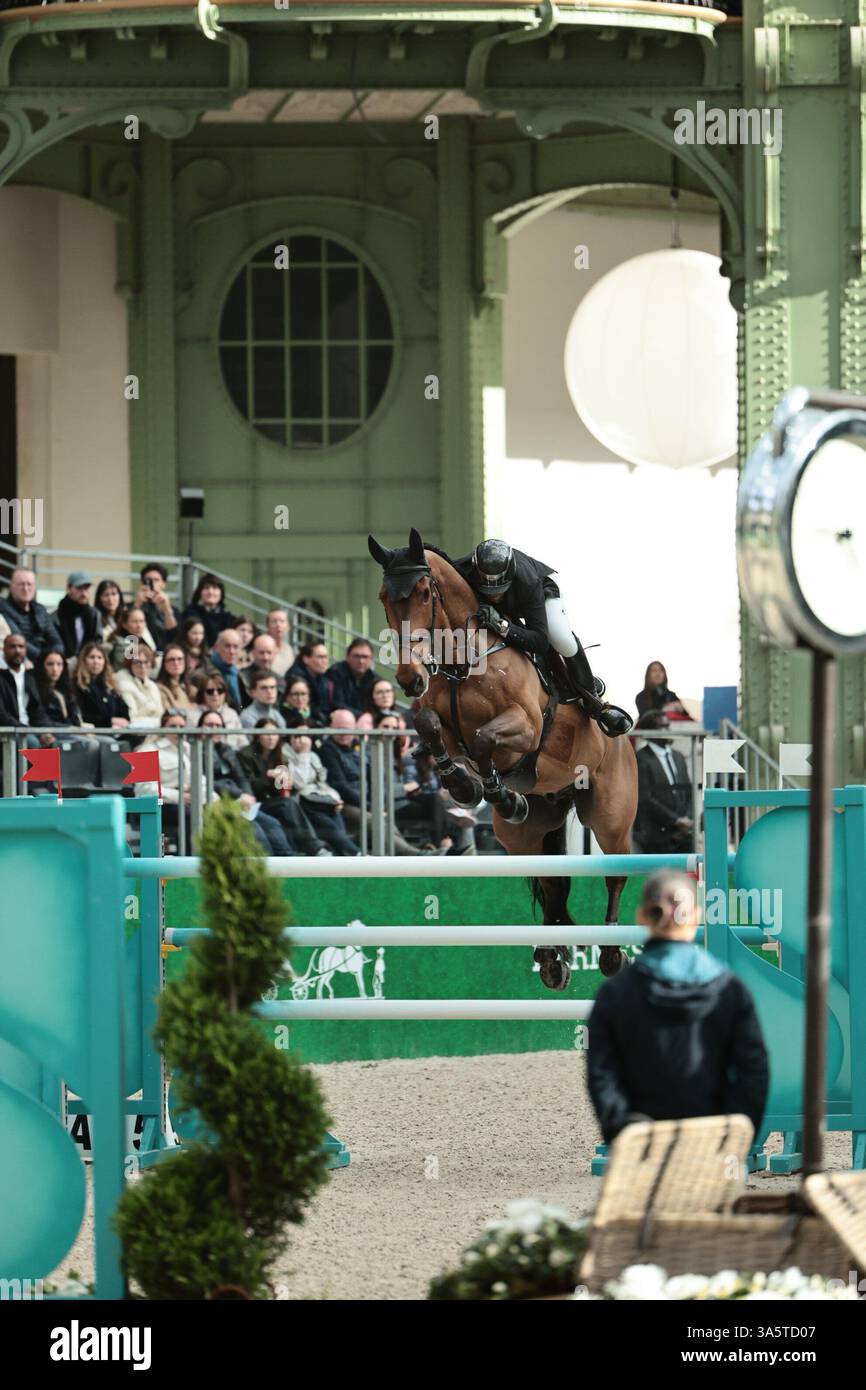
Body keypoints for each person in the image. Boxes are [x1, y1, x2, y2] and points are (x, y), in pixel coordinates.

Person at [587, 871, 769, 1146]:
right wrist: (732, 1139)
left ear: (642, 916)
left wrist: (621, 1133)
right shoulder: (730, 989)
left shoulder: (614, 993)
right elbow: (754, 1072)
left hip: (640, 1148)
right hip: (712, 1144)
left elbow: (601, 1075)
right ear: (695, 917)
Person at [452, 540, 632, 737]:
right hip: (503, 597)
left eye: (499, 589)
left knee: (560, 637)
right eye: (489, 589)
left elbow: (540, 641)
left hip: (542, 588)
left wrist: (502, 626)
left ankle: (595, 701)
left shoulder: (528, 582)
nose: (494, 595)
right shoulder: (463, 568)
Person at [197, 710, 296, 857]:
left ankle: (290, 867)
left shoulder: (227, 750)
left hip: (240, 801)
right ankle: (266, 871)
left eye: (218, 725)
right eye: (210, 724)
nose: (214, 728)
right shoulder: (195, 749)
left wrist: (248, 795)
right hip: (218, 801)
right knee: (255, 829)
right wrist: (239, 794)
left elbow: (241, 778)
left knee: (272, 824)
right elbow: (206, 780)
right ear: (199, 728)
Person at [237, 720, 332, 856]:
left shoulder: (279, 755)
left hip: (271, 800)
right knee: (288, 805)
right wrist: (268, 775)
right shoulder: (245, 755)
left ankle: (313, 847)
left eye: (275, 734)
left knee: (292, 803)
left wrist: (287, 783)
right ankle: (313, 847)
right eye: (267, 734)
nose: (271, 738)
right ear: (258, 736)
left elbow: (280, 788)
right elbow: (248, 785)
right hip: (253, 804)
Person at [283, 731, 361, 855]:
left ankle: (347, 858)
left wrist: (335, 798)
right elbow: (300, 783)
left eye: (306, 736)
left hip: (321, 798)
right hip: (303, 800)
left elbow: (322, 781)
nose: (302, 740)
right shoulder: (284, 754)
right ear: (290, 737)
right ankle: (355, 854)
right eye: (297, 736)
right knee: (329, 825)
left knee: (335, 811)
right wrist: (303, 754)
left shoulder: (313, 755)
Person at [633, 712, 693, 853]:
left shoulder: (678, 756)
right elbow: (645, 798)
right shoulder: (640, 758)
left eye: (668, 726)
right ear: (650, 732)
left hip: (684, 834)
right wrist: (676, 820)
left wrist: (687, 819)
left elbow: (688, 792)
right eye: (662, 727)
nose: (668, 731)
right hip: (656, 836)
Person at [0, 633, 54, 747]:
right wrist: (27, 730)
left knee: (55, 743)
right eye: (12, 646)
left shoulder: (29, 675)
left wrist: (45, 731)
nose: (17, 650)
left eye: (21, 646)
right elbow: (2, 714)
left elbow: (36, 709)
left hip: (28, 729)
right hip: (9, 730)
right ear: (3, 649)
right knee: (33, 744)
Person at [0, 568, 62, 663]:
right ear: (11, 587)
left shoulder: (40, 610)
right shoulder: (3, 608)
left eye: (29, 584)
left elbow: (56, 641)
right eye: (21, 584)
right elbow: (18, 640)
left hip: (45, 663)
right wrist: (44, 659)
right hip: (20, 662)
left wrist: (53, 657)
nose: (26, 589)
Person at [73, 643, 130, 729]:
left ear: (105, 662)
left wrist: (123, 721)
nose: (96, 661)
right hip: (93, 731)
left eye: (99, 658)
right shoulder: (78, 685)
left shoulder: (110, 686)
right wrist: (110, 721)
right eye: (92, 657)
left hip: (117, 730)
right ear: (84, 660)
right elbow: (83, 716)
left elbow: (124, 710)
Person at [181, 573, 237, 649]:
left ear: (221, 593)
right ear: (200, 592)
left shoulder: (228, 618)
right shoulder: (190, 614)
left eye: (215, 588)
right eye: (206, 588)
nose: (210, 592)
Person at [53, 572, 100, 662]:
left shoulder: (94, 615)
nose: (83, 593)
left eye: (86, 588)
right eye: (79, 588)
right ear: (68, 588)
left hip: (87, 664)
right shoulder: (56, 617)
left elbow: (97, 640)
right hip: (62, 664)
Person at [33, 650, 86, 729]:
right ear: (42, 666)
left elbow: (74, 717)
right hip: (51, 731)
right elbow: (41, 720)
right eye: (50, 664)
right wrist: (70, 728)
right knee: (92, 742)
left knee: (106, 740)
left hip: (70, 730)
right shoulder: (35, 689)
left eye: (59, 664)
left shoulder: (66, 689)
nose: (55, 669)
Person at [325, 638, 379, 717]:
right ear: (347, 657)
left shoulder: (374, 678)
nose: (361, 661)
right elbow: (337, 704)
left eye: (365, 657)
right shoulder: (335, 673)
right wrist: (362, 716)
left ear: (371, 659)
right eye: (356, 656)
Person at [113, 645, 164, 727]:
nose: (143, 667)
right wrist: (150, 709)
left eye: (146, 662)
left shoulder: (153, 686)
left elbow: (161, 715)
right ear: (130, 664)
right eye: (138, 662)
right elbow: (132, 717)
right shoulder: (123, 684)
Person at [136, 563, 180, 653]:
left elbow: (174, 635)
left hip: (164, 656)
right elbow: (127, 631)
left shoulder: (173, 610)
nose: (152, 584)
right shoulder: (134, 606)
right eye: (148, 580)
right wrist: (138, 603)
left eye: (156, 580)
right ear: (142, 583)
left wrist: (166, 608)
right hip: (138, 656)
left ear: (163, 584)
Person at [192, 670, 245, 743]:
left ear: (225, 694)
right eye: (210, 691)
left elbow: (242, 742)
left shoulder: (232, 714)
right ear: (202, 694)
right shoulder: (191, 715)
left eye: (220, 690)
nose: (215, 694)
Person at [286, 641, 332, 723]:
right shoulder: (295, 678)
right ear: (306, 659)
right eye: (320, 657)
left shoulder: (322, 677)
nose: (324, 661)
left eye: (326, 657)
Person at [110, 605, 158, 672]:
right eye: (135, 622)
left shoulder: (142, 641)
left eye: (141, 621)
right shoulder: (121, 643)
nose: (139, 625)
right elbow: (132, 669)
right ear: (124, 625)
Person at [206, 629, 245, 710]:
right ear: (217, 647)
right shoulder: (206, 673)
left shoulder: (237, 673)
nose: (232, 651)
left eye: (235, 647)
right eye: (227, 646)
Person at [155, 643, 198, 714]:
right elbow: (168, 713)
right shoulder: (159, 689)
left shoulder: (190, 688)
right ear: (164, 664)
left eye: (180, 659)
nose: (176, 663)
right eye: (171, 659)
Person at [240, 634, 284, 701]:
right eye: (261, 653)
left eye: (269, 653)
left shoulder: (280, 680)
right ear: (253, 653)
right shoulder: (242, 677)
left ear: (275, 654)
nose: (265, 657)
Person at [266, 608, 295, 679]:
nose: (278, 625)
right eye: (274, 622)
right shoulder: (263, 648)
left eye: (282, 621)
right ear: (268, 627)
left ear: (288, 627)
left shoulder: (290, 649)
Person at [94, 580, 125, 644]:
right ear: (99, 598)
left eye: (114, 594)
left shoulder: (126, 616)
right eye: (106, 595)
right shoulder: (95, 618)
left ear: (120, 596)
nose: (110, 599)